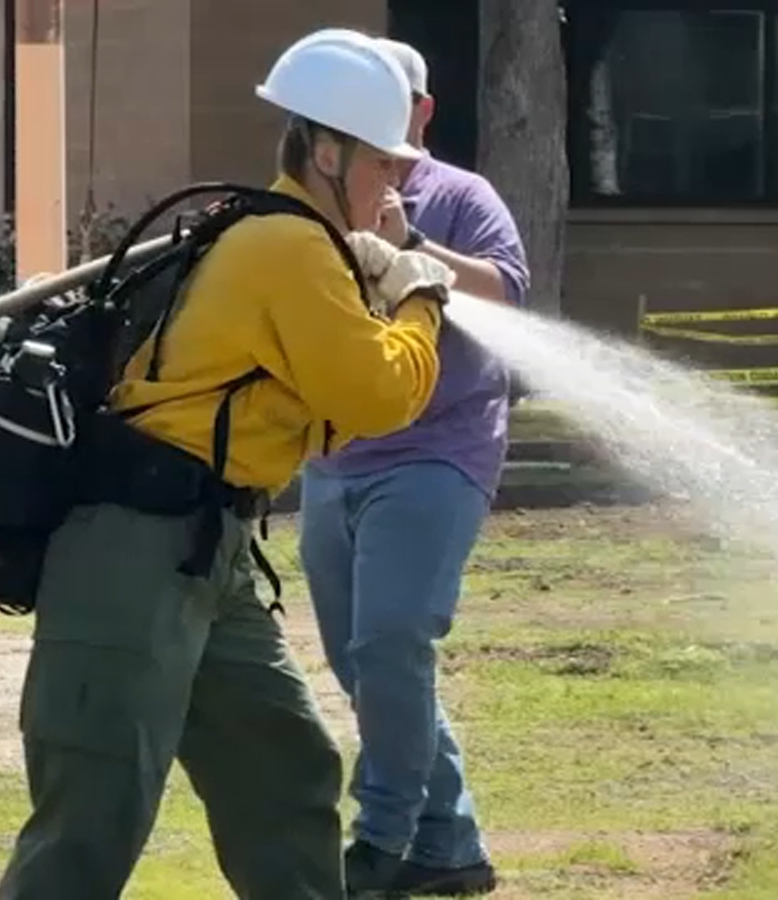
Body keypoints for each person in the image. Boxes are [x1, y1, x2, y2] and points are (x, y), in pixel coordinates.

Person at [0, 28, 459, 900]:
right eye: (381, 165)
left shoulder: (296, 246)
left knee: (284, 771)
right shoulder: (284, 248)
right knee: (92, 812)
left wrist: (372, 288)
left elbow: (324, 416)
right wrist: (421, 296)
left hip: (212, 547)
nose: (393, 184)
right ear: (326, 152)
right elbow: (380, 396)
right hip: (133, 549)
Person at [297, 36, 531, 898]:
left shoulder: (462, 196)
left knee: (393, 639)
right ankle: (452, 847)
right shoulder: (320, 192)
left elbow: (508, 294)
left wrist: (415, 245)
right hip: (334, 456)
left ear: (423, 112)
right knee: (362, 661)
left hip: (438, 451)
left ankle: (383, 841)